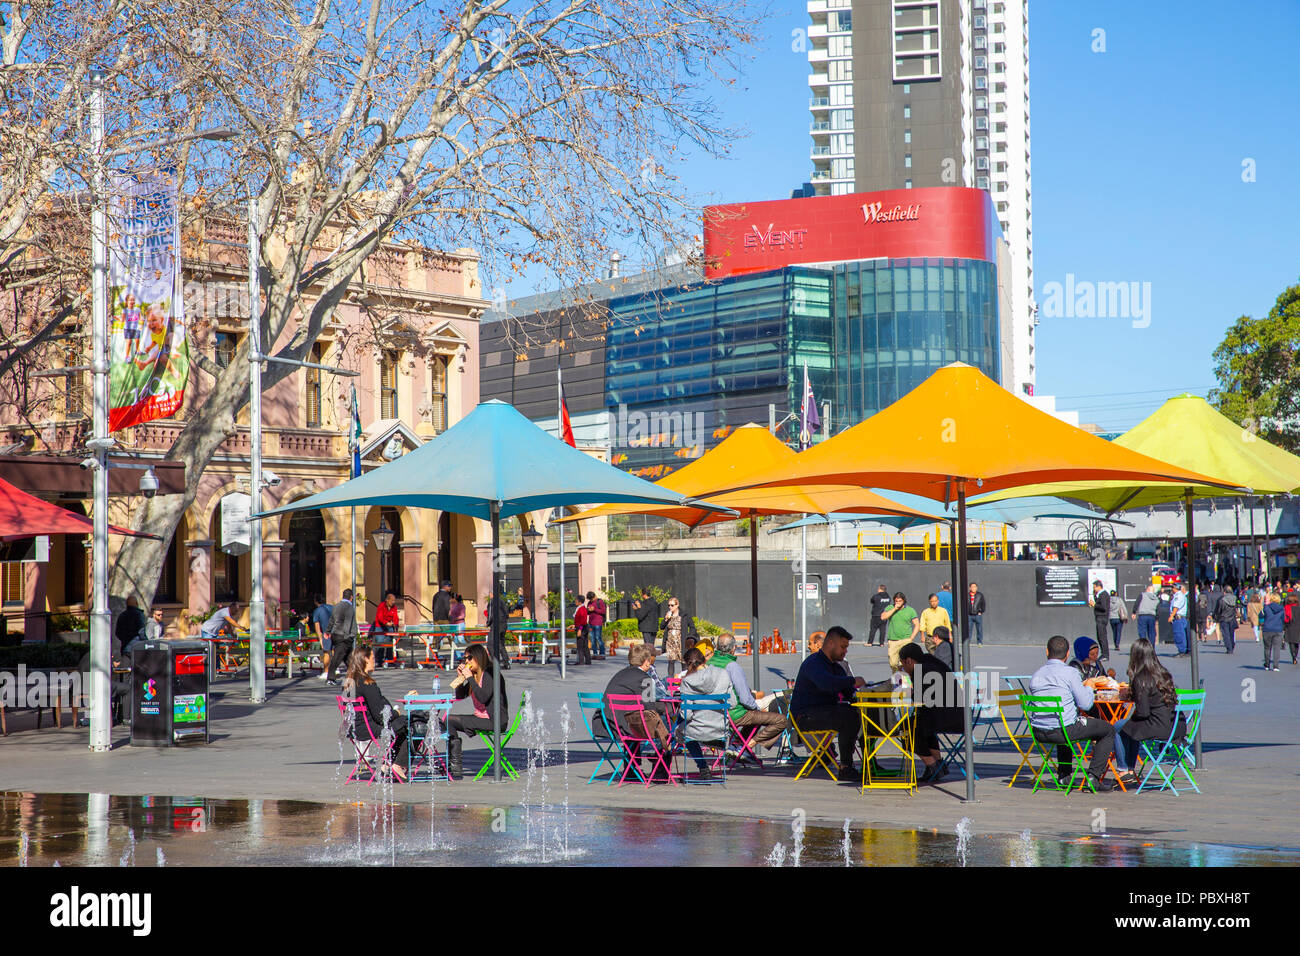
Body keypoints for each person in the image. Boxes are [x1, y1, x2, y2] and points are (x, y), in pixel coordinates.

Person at [1027, 635, 1117, 792]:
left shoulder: (1036, 675)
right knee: (1108, 729)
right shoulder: (1070, 673)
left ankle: (1064, 775)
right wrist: (1089, 686)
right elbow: (1086, 704)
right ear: (1068, 654)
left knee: (1064, 719)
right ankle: (1093, 777)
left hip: (1039, 731)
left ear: (1047, 652)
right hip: (1063, 730)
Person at [790, 625, 867, 779]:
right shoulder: (813, 663)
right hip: (804, 717)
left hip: (824, 712)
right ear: (831, 643)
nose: (845, 651)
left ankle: (870, 764)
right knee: (849, 716)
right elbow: (827, 683)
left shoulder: (835, 667)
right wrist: (852, 680)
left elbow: (849, 694)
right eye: (843, 647)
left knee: (864, 714)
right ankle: (845, 767)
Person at [1114, 638, 1182, 785]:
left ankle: (1123, 769)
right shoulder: (1163, 673)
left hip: (1157, 726)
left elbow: (1143, 712)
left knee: (1116, 727)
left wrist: (1133, 708)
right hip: (1174, 726)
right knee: (1130, 727)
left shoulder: (1141, 678)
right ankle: (1130, 769)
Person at [710, 633, 788, 760]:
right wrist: (757, 708)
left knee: (754, 716)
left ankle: (736, 746)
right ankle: (746, 747)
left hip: (714, 712)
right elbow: (745, 699)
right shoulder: (732, 666)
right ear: (733, 648)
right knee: (781, 720)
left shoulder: (710, 662)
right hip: (733, 713)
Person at [897, 642, 964, 783]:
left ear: (909, 661)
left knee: (906, 728)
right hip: (959, 716)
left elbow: (918, 700)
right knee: (921, 724)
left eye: (903, 665)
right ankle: (938, 764)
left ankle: (932, 765)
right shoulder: (933, 662)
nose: (903, 668)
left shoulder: (921, 670)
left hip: (946, 719)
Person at [342, 644, 409, 782]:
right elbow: (380, 716)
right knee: (408, 723)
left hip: (353, 728)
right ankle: (397, 764)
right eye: (372, 657)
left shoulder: (348, 682)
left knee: (399, 724)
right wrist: (396, 712)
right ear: (365, 659)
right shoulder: (367, 683)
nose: (375, 660)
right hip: (369, 728)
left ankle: (388, 763)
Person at [446, 643, 508, 778]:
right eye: (465, 659)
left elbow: (483, 697)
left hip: (495, 720)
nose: (467, 661)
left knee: (449, 720)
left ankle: (455, 764)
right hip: (481, 718)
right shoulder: (475, 675)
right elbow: (460, 696)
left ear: (478, 657)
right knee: (447, 720)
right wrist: (461, 679)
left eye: (469, 658)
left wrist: (469, 678)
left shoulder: (490, 673)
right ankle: (454, 761)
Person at [602, 643, 672, 754]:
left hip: (607, 723)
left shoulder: (619, 674)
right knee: (665, 719)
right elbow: (650, 709)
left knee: (634, 714)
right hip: (628, 726)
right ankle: (661, 760)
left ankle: (631, 768)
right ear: (646, 661)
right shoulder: (645, 678)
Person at [679, 646, 731, 779]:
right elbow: (733, 704)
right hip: (721, 729)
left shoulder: (687, 681)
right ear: (704, 660)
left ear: (688, 664)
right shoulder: (723, 673)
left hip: (697, 730)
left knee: (680, 728)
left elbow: (687, 715)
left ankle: (702, 767)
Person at [325, 589, 360, 684]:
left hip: (336, 634)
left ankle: (356, 677)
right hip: (344, 636)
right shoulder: (349, 607)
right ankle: (330, 678)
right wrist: (347, 636)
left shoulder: (336, 606)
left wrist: (328, 631)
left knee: (349, 659)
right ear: (351, 597)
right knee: (337, 657)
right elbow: (348, 622)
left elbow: (332, 620)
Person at [881, 591, 920, 672]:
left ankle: (905, 681)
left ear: (904, 601)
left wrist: (911, 637)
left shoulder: (910, 610)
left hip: (905, 640)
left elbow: (917, 624)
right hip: (893, 640)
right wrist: (895, 608)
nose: (898, 603)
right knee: (893, 663)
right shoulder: (890, 608)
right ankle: (897, 679)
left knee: (904, 663)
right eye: (896, 601)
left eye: (900, 601)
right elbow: (883, 617)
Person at [372, 591, 401, 666]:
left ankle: (389, 659)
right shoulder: (381, 606)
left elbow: (395, 617)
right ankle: (379, 660)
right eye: (392, 600)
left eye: (394, 600)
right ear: (387, 600)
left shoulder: (394, 607)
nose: (393, 602)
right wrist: (386, 623)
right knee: (380, 642)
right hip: (380, 627)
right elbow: (380, 617)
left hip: (389, 627)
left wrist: (395, 623)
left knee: (390, 643)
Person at [1260, 590, 1286, 672]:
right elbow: (1283, 619)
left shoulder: (1266, 607)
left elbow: (1261, 615)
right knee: (1277, 648)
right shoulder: (1282, 609)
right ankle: (1276, 666)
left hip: (1267, 629)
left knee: (1267, 648)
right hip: (1278, 629)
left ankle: (1267, 664)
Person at [1086, 581, 1111, 662]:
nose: (1094, 589)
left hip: (1102, 618)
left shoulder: (1104, 594)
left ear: (1098, 587)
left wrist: (1095, 605)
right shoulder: (1100, 595)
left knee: (1102, 637)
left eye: (1094, 587)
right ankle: (1103, 653)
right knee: (1099, 636)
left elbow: (1104, 607)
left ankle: (1105, 654)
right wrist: (1094, 597)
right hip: (1099, 618)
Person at [311, 593, 334, 680]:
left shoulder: (317, 611)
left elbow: (317, 627)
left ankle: (326, 671)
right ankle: (334, 669)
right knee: (334, 651)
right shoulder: (332, 607)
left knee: (326, 652)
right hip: (335, 632)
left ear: (315, 601)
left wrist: (320, 638)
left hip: (326, 633)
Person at [1214, 585, 1239, 655]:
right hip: (1232, 618)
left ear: (1224, 591)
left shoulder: (1222, 600)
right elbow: (1236, 608)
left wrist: (1216, 616)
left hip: (1224, 618)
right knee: (1231, 633)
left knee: (1226, 634)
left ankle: (1229, 648)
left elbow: (1219, 610)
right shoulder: (1235, 598)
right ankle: (1232, 645)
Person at [661, 596, 684, 675]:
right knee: (671, 662)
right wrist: (666, 619)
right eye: (669, 605)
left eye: (672, 605)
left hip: (680, 641)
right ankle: (670, 683)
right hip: (670, 642)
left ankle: (684, 681)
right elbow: (661, 627)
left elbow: (691, 626)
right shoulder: (668, 615)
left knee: (683, 661)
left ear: (677, 605)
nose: (670, 607)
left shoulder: (683, 615)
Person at [1168, 584, 1189, 657]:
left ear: (1174, 588)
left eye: (1172, 588)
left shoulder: (1178, 596)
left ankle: (1181, 651)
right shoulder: (1182, 595)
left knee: (1179, 634)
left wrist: (1171, 616)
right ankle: (1184, 650)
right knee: (1183, 634)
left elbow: (1176, 607)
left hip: (1178, 618)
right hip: (1181, 618)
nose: (1171, 589)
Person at [585, 591, 608, 658]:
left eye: (592, 599)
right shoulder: (589, 603)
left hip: (598, 623)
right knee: (592, 639)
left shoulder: (600, 601)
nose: (591, 601)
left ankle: (602, 653)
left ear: (594, 596)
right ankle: (595, 653)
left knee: (598, 638)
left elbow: (603, 611)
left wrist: (594, 609)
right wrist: (588, 610)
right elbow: (588, 613)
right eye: (590, 600)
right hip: (591, 623)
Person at [573, 597, 591, 666]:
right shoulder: (581, 608)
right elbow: (579, 619)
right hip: (583, 627)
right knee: (585, 645)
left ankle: (581, 661)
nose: (575, 601)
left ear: (580, 602)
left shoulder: (582, 609)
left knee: (580, 645)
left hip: (582, 628)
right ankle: (588, 660)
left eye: (576, 600)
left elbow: (583, 620)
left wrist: (579, 629)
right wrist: (574, 625)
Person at [1284, 590, 1300, 665]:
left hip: (1289, 626)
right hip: (1298, 627)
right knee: (1297, 643)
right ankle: (1295, 655)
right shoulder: (1298, 608)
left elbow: (1284, 618)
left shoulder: (1286, 608)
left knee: (1291, 643)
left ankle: (1293, 656)